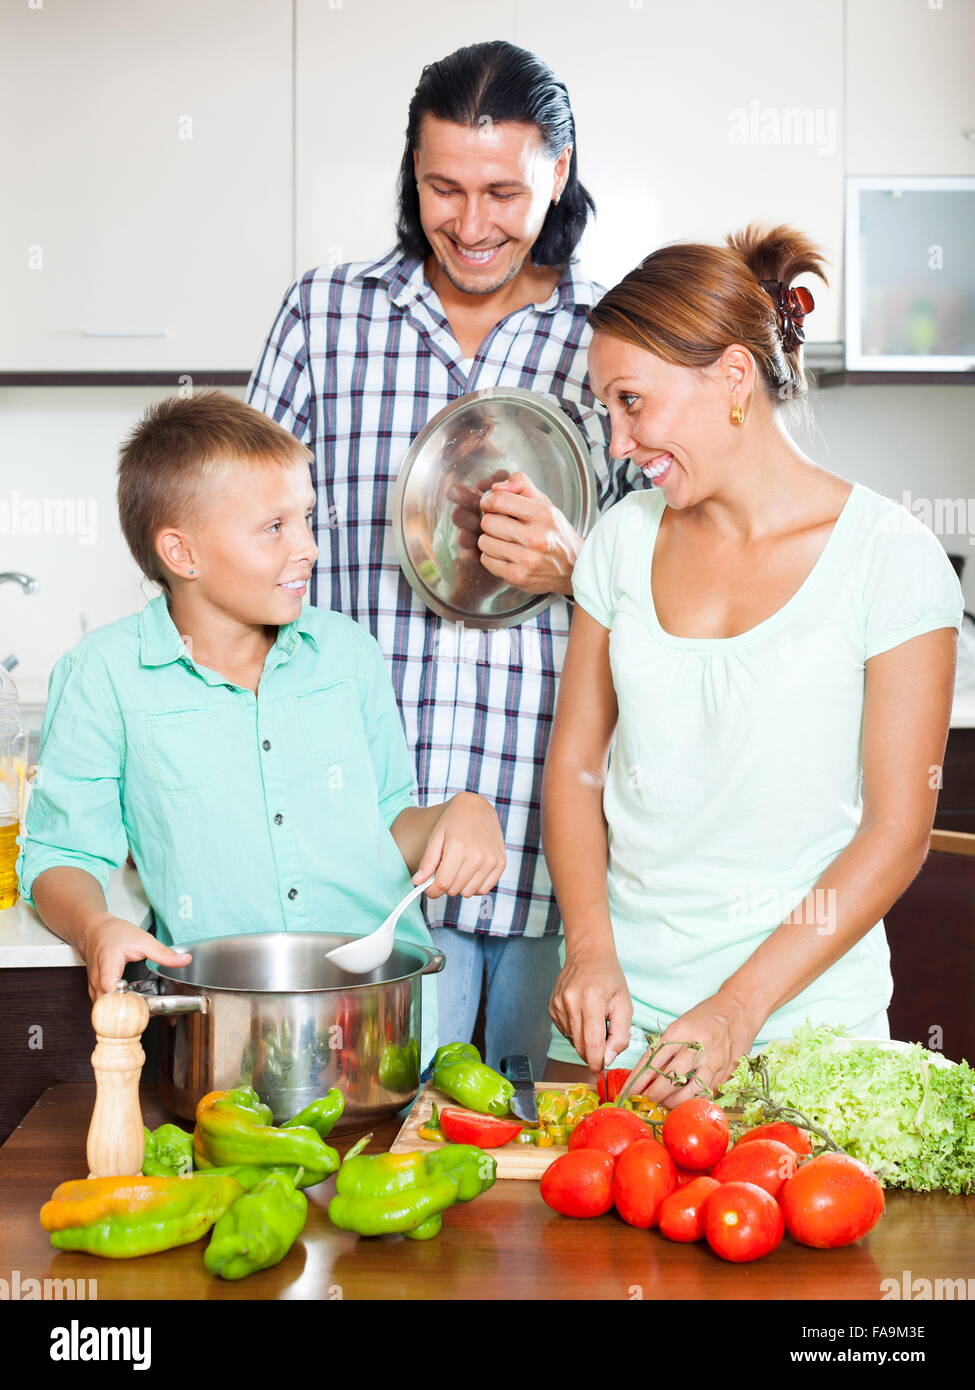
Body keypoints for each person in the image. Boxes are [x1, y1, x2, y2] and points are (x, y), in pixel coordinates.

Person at [247, 41, 645, 1073]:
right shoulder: (324, 314)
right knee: (352, 1158)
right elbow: (243, 544)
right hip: (360, 851)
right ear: (411, 175)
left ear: (559, 173)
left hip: (554, 858)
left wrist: (582, 562)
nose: (472, 225)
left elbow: (686, 593)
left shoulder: (613, 340)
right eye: (444, 189)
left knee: (524, 1184)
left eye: (505, 191)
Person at [543, 224, 964, 1106]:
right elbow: (576, 772)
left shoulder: (889, 555)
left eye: (631, 402)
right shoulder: (620, 543)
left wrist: (735, 1010)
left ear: (732, 378)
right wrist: (589, 951)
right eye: (605, 410)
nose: (616, 442)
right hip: (619, 1029)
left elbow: (895, 830)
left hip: (806, 1035)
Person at [16, 392, 505, 1068]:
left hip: (381, 1019)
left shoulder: (346, 654)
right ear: (181, 553)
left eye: (306, 518)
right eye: (273, 526)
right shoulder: (104, 677)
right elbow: (60, 855)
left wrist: (461, 813)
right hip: (222, 1032)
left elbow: (388, 823)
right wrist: (97, 926)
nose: (306, 546)